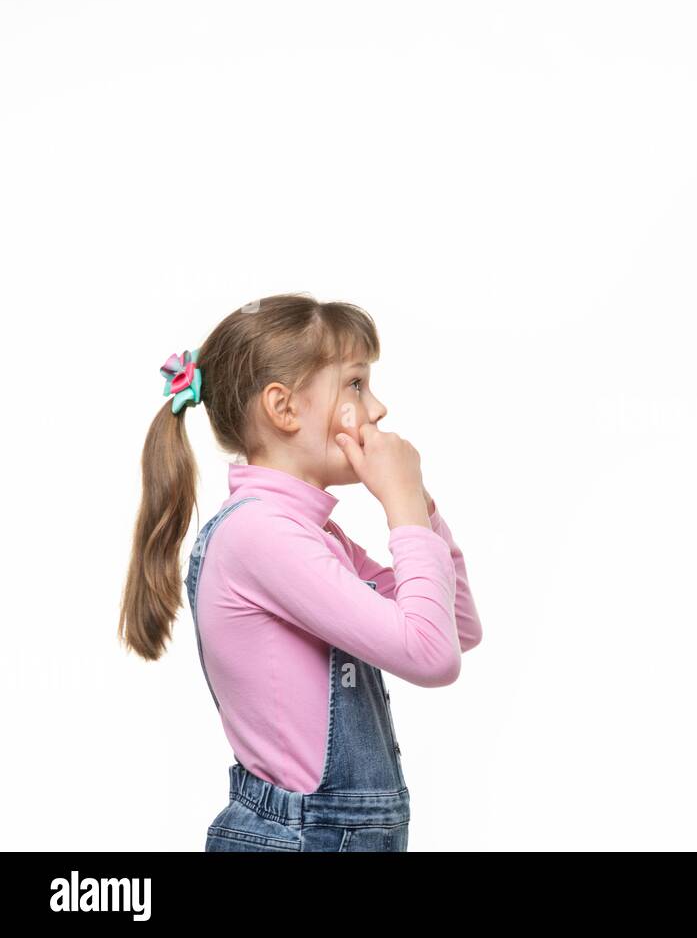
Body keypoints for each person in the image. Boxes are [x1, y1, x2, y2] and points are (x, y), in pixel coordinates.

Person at [118, 293, 482, 851]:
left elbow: (457, 627)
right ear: (283, 408)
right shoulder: (260, 536)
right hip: (303, 837)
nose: (377, 408)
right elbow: (432, 656)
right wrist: (401, 505)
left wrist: (420, 505)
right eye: (356, 384)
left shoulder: (314, 537)